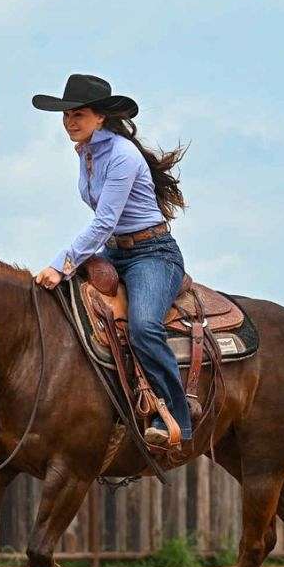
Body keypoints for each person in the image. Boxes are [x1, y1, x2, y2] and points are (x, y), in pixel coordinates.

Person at [31, 73, 191, 447]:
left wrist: (60, 265)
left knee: (144, 327)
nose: (70, 121)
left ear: (100, 117)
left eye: (79, 114)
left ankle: (177, 417)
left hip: (152, 254)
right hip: (115, 251)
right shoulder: (87, 152)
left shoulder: (121, 155)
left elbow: (104, 222)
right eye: (66, 114)